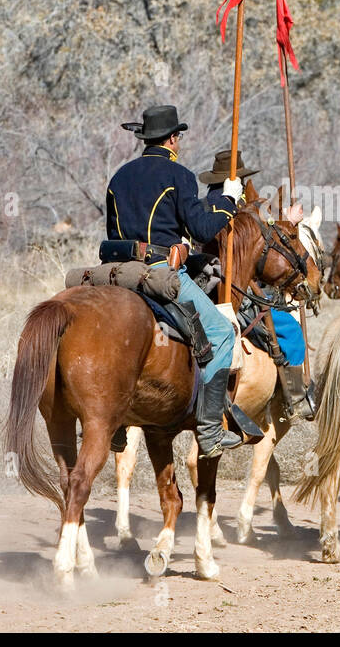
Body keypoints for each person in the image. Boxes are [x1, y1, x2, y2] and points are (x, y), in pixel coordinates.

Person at [102, 105, 244, 458]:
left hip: (117, 273)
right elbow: (201, 229)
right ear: (173, 139)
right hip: (161, 271)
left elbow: (114, 231)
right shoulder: (179, 175)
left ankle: (115, 422)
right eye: (178, 137)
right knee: (223, 334)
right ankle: (210, 432)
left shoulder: (118, 177)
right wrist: (229, 199)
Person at [198, 148, 316, 421]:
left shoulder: (204, 204)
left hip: (201, 282)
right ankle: (296, 398)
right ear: (236, 179)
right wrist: (290, 222)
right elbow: (265, 251)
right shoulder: (238, 208)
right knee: (291, 332)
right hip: (232, 288)